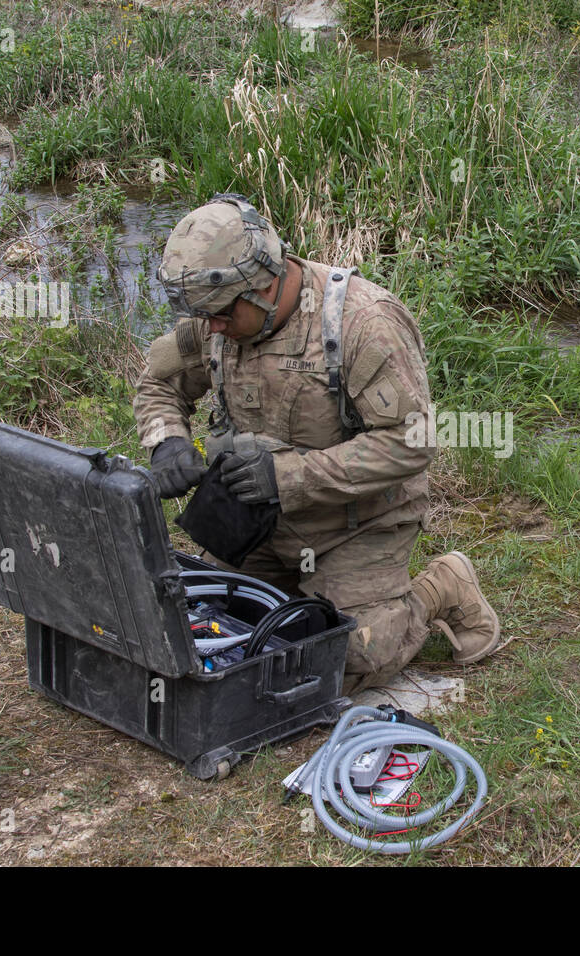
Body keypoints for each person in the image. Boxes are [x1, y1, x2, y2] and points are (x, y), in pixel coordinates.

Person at [133, 194, 503, 693]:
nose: (211, 328)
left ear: (263, 285)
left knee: (347, 657)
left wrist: (288, 478)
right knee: (203, 625)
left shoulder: (360, 322)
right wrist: (167, 441)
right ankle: (292, 593)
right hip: (256, 524)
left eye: (220, 314)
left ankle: (442, 586)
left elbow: (412, 443)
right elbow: (159, 382)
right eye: (204, 315)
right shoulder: (216, 316)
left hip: (355, 523)